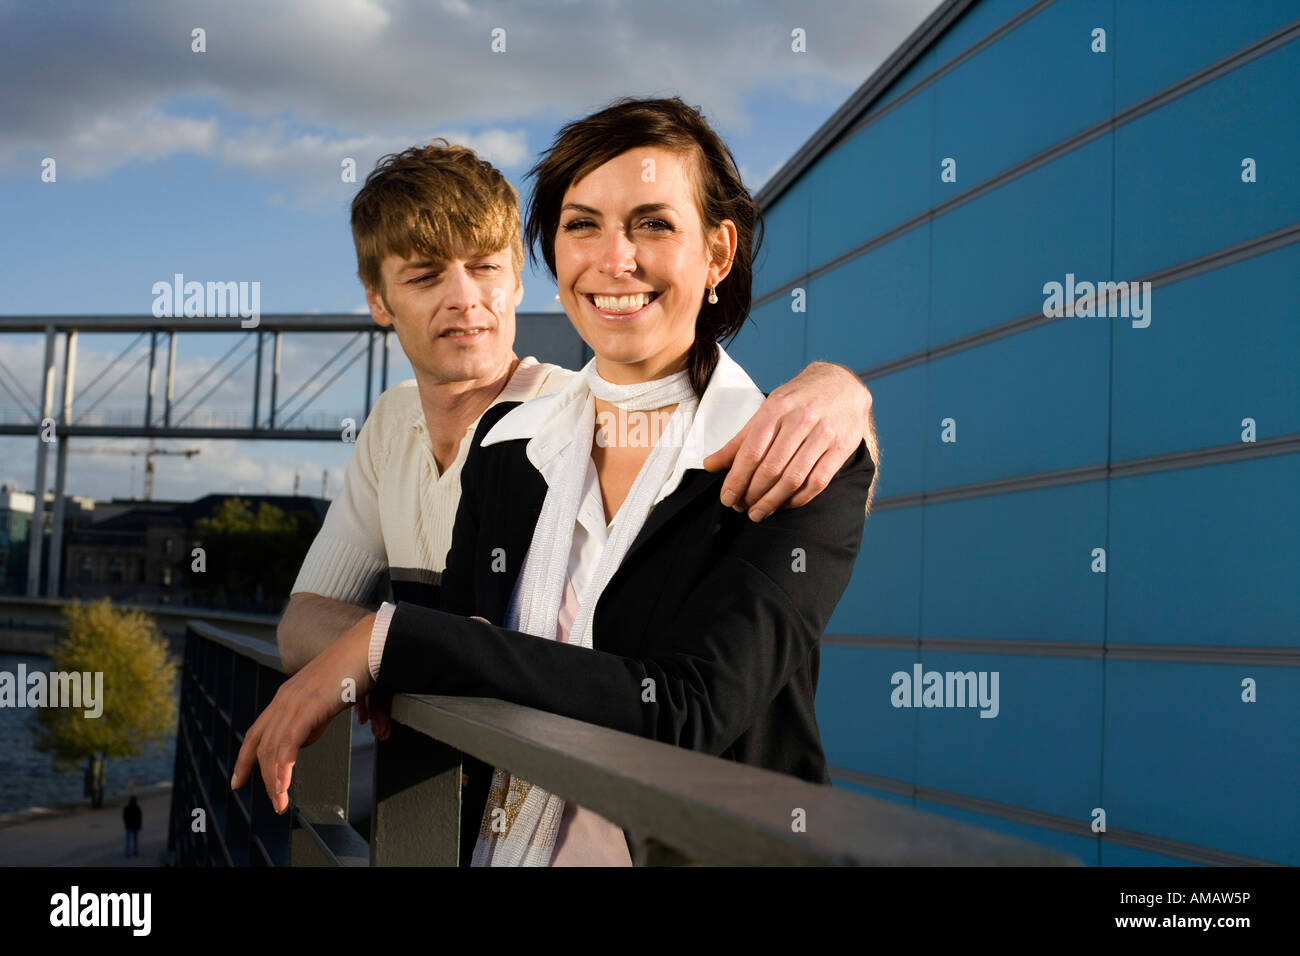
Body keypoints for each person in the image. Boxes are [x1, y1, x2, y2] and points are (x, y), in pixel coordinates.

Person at [233, 99, 876, 866]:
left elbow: (684, 713)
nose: (614, 260)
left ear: (718, 252)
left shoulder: (803, 452)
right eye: (581, 226)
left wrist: (387, 638)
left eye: (653, 224)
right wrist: (406, 650)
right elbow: (464, 671)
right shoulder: (505, 449)